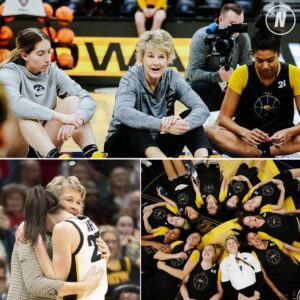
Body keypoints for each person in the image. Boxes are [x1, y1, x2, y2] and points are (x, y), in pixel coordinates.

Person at [104, 29, 210, 158]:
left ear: (167, 60)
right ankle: (163, 163)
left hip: (160, 141)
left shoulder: (173, 77)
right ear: (142, 58)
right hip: (124, 146)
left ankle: (203, 163)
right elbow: (122, 111)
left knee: (190, 118)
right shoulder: (130, 78)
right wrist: (161, 125)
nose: (156, 62)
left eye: (161, 57)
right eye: (150, 56)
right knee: (132, 122)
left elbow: (202, 109)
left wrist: (182, 125)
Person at [206, 15, 300, 157]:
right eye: (259, 60)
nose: (265, 66)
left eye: (270, 60)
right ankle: (259, 153)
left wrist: (289, 132)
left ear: (278, 53)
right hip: (247, 139)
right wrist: (245, 133)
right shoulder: (242, 73)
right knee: (210, 131)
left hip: (281, 142)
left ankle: (261, 153)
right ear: (253, 55)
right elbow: (224, 118)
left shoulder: (293, 73)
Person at [0, 27, 101, 158]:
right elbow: (13, 104)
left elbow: (86, 97)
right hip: (15, 147)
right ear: (24, 55)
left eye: (49, 52)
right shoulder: (8, 73)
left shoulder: (52, 70)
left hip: (44, 142)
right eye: (41, 54)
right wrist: (60, 116)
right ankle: (52, 155)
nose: (48, 58)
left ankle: (92, 153)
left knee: (73, 101)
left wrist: (78, 119)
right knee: (24, 117)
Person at [7, 186, 106, 300]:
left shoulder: (77, 229)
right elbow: (35, 285)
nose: (74, 206)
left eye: (79, 202)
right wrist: (84, 286)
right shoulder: (29, 234)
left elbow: (90, 269)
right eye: (69, 200)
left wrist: (105, 256)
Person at [185, 3, 252, 111]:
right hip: (206, 86)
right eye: (233, 24)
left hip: (229, 85)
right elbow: (191, 74)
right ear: (221, 19)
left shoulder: (242, 36)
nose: (237, 30)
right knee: (201, 88)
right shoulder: (202, 36)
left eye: (240, 25)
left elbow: (248, 67)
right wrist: (217, 77)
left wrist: (235, 79)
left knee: (250, 88)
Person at [143, 232, 201, 300]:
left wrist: (163, 266)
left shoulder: (195, 253)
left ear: (197, 244)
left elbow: (182, 275)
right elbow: (157, 255)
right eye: (191, 235)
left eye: (196, 238)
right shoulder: (178, 243)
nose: (192, 237)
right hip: (156, 278)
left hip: (169, 286)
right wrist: (175, 255)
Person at [246, 231, 300, 299]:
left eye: (255, 235)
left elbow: (289, 255)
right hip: (285, 284)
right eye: (251, 238)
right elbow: (265, 276)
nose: (255, 238)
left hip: (296, 273)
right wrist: (280, 295)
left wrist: (295, 264)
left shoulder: (274, 242)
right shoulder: (254, 255)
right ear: (249, 243)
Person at [101, 226, 139, 299]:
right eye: (107, 242)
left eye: (114, 241)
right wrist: (126, 285)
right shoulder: (97, 265)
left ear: (118, 243)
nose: (111, 245)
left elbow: (136, 284)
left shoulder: (126, 261)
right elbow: (102, 289)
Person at [220, 235, 263, 299]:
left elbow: (259, 275)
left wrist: (256, 295)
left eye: (233, 242)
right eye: (228, 244)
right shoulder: (224, 263)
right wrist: (245, 299)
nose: (231, 244)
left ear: (238, 244)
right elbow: (226, 285)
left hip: (257, 291)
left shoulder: (248, 255)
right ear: (226, 248)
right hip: (241, 295)